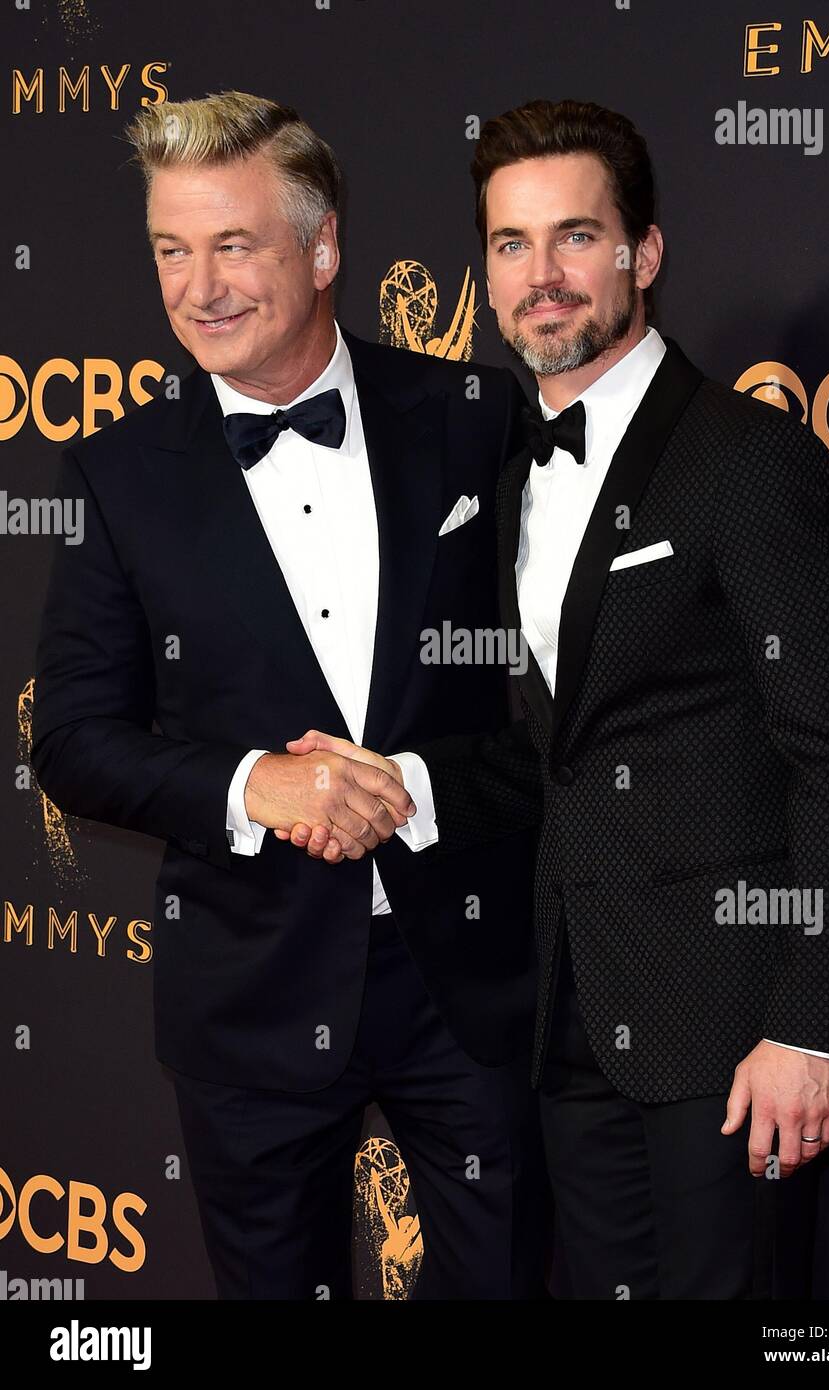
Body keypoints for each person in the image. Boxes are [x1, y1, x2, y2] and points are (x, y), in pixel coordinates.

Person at [282, 98, 829, 1299]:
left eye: (576, 237)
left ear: (644, 255)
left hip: (734, 1033)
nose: (542, 276)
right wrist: (399, 784)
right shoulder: (508, 466)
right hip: (568, 1018)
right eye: (510, 246)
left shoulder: (744, 458)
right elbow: (549, 752)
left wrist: (812, 1026)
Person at [30, 90, 548, 1300]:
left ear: (322, 251)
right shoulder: (116, 471)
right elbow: (71, 738)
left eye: (233, 244)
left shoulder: (473, 419)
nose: (197, 286)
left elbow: (568, 699)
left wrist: (415, 791)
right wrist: (255, 783)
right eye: (170, 248)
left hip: (468, 980)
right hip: (250, 1001)